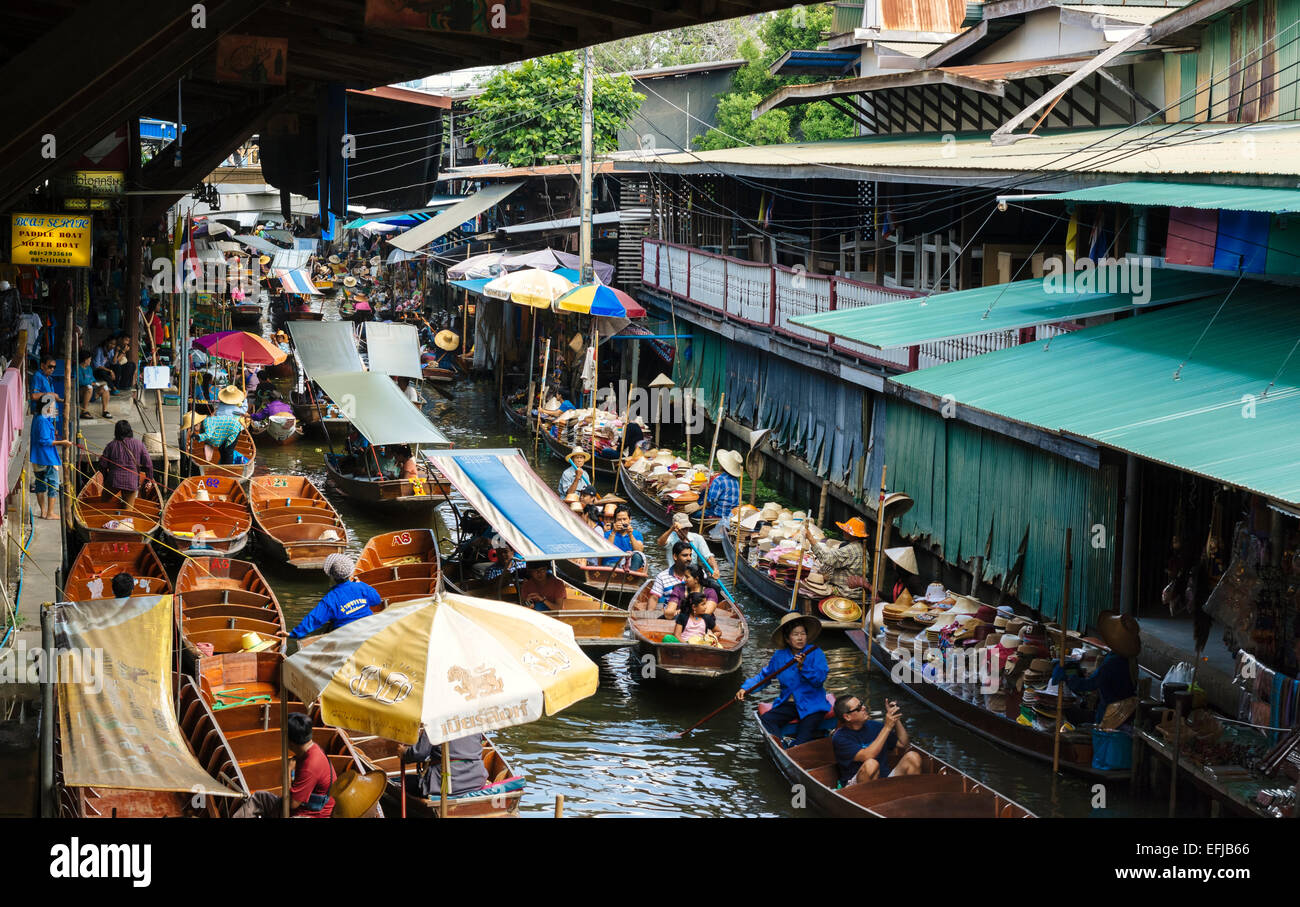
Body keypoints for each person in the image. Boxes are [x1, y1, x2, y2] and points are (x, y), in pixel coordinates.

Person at [736, 613, 829, 748]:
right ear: (787, 638)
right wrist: (746, 688)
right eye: (795, 634)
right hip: (789, 704)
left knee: (802, 740)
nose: (800, 638)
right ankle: (782, 745)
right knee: (767, 720)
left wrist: (803, 667)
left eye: (803, 634)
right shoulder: (780, 656)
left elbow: (819, 680)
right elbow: (764, 677)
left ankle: (795, 747)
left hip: (812, 704)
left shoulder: (815, 653)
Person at [234, 712, 335, 818]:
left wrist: (287, 769)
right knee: (259, 798)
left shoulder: (310, 765)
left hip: (311, 814)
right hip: (300, 806)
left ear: (290, 742)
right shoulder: (310, 750)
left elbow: (292, 804)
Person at [1051, 610, 1140, 724]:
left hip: (1112, 715)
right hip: (1125, 712)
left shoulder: (1113, 662)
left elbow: (1089, 685)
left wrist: (1068, 675)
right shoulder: (1128, 658)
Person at [831, 694, 921, 786]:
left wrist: (894, 718)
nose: (864, 707)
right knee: (871, 764)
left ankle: (911, 794)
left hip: (884, 779)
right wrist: (887, 727)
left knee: (913, 757)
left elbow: (903, 744)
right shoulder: (840, 738)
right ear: (847, 717)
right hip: (856, 787)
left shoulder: (874, 725)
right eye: (859, 708)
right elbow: (868, 756)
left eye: (862, 704)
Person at [288, 553, 381, 639]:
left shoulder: (330, 599)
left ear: (332, 577)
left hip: (345, 635)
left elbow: (314, 619)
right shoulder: (361, 586)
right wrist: (361, 584)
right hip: (368, 628)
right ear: (350, 574)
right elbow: (376, 600)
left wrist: (294, 634)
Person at [400, 728, 489, 799]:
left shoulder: (435, 721)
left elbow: (419, 754)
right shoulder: (473, 722)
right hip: (477, 780)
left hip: (446, 784)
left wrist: (403, 752)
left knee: (404, 782)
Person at [30, 395, 72, 519]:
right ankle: (50, 513)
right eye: (52, 406)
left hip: (37, 457)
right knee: (54, 484)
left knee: (40, 484)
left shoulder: (38, 417)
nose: (54, 408)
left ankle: (43, 512)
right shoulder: (43, 420)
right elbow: (44, 441)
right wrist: (62, 442)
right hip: (46, 457)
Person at [809, 516, 870, 598]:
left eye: (846, 531)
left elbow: (826, 558)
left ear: (852, 534)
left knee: (810, 588)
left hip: (846, 592)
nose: (844, 531)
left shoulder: (850, 549)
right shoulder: (862, 548)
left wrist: (810, 538)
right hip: (857, 591)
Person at [99, 419, 154, 509]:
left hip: (113, 481)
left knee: (104, 505)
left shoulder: (111, 445)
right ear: (130, 431)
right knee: (128, 511)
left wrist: (106, 478)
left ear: (116, 432)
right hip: (131, 482)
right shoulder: (139, 444)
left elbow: (102, 465)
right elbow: (149, 464)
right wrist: (149, 480)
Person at [703, 449, 743, 520]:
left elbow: (711, 501)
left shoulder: (719, 480)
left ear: (722, 466)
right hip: (732, 514)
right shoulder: (736, 481)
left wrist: (705, 505)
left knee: (696, 513)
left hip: (719, 514)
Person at [603, 506, 645, 570]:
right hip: (612, 564)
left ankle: (631, 574)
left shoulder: (636, 534)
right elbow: (607, 550)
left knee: (637, 556)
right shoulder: (607, 534)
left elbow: (639, 551)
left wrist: (630, 535)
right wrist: (614, 532)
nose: (622, 522)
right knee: (612, 565)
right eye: (619, 520)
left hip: (629, 565)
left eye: (624, 519)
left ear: (630, 519)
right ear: (614, 521)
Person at [77, 350, 111, 419]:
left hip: (91, 392)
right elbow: (79, 382)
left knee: (105, 387)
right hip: (80, 393)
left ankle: (105, 411)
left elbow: (93, 380)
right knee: (89, 387)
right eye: (89, 359)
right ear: (85, 360)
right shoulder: (77, 368)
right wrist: (91, 383)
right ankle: (84, 412)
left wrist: (98, 384)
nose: (90, 360)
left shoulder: (89, 368)